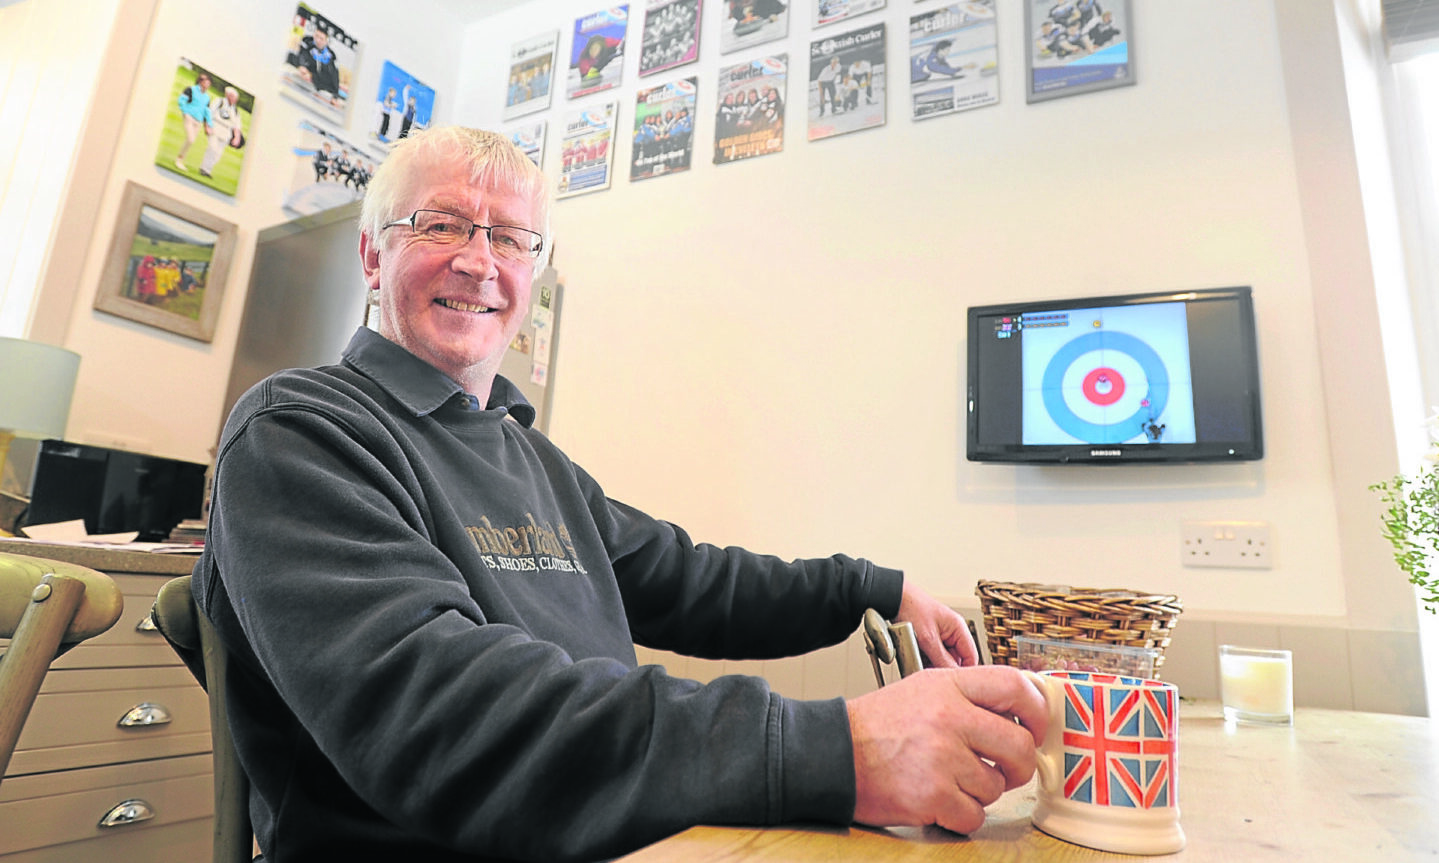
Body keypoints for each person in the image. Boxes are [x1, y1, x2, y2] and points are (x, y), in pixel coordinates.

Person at [193, 125, 1046, 863]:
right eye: (441, 224)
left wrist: (874, 586)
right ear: (375, 254)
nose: (478, 260)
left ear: (536, 273)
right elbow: (442, 713)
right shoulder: (298, 431)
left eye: (512, 238)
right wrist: (839, 746)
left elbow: (695, 581)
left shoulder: (532, 458)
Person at [199, 85, 243, 179]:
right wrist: (207, 126)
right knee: (212, 148)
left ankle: (207, 169)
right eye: (232, 96)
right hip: (215, 126)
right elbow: (209, 113)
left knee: (218, 154)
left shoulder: (235, 110)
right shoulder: (219, 101)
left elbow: (237, 126)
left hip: (226, 132)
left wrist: (236, 137)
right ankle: (204, 169)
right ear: (228, 95)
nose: (233, 99)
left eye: (235, 98)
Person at [174, 72, 212, 171]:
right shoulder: (190, 89)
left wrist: (209, 125)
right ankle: (179, 160)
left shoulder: (207, 97)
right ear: (201, 82)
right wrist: (185, 112)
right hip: (189, 117)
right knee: (190, 139)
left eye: (209, 83)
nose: (208, 84)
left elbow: (207, 111)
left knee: (191, 141)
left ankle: (180, 159)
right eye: (206, 82)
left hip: (198, 121)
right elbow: (181, 100)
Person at [298, 27, 341, 103]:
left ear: (326, 42)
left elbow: (335, 77)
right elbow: (301, 54)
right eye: (316, 36)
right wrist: (302, 66)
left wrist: (335, 96)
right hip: (304, 81)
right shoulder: (307, 42)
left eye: (321, 39)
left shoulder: (331, 56)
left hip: (320, 87)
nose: (318, 40)